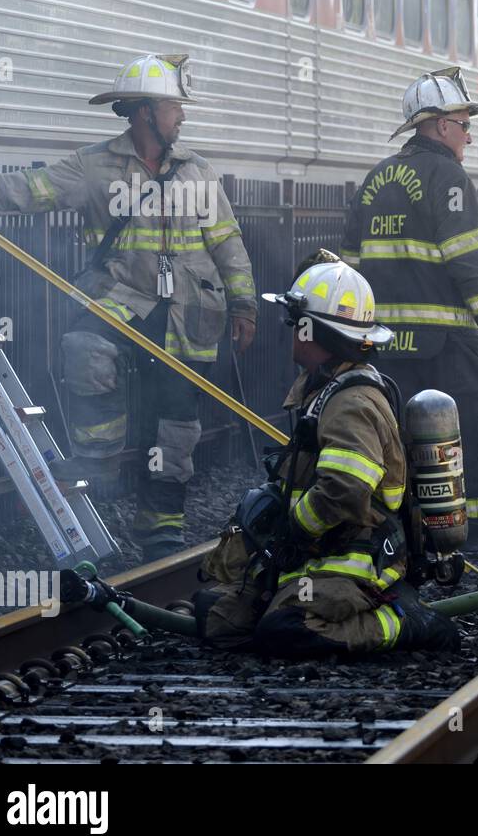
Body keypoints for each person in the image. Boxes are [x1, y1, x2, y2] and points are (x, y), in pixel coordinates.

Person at [0, 54, 256, 562]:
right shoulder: (92, 167)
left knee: (175, 427)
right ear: (142, 112)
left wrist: (244, 304)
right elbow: (30, 189)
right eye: (171, 106)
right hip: (122, 301)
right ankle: (98, 459)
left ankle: (160, 526)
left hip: (189, 314)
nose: (181, 116)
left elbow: (227, 243)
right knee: (85, 347)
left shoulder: (198, 173)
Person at [193, 252, 460, 656]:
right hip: (319, 551)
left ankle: (405, 622)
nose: (291, 333)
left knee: (287, 629)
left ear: (315, 332)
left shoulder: (351, 401)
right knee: (217, 617)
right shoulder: (324, 389)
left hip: (355, 558)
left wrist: (293, 530)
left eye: (295, 324)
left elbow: (345, 488)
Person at [342, 67, 478, 546]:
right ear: (440, 125)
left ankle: (405, 525)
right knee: (471, 423)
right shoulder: (448, 176)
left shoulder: (377, 178)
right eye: (464, 125)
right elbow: (468, 254)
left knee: (397, 434)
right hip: (447, 341)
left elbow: (349, 263)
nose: (469, 136)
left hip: (385, 341)